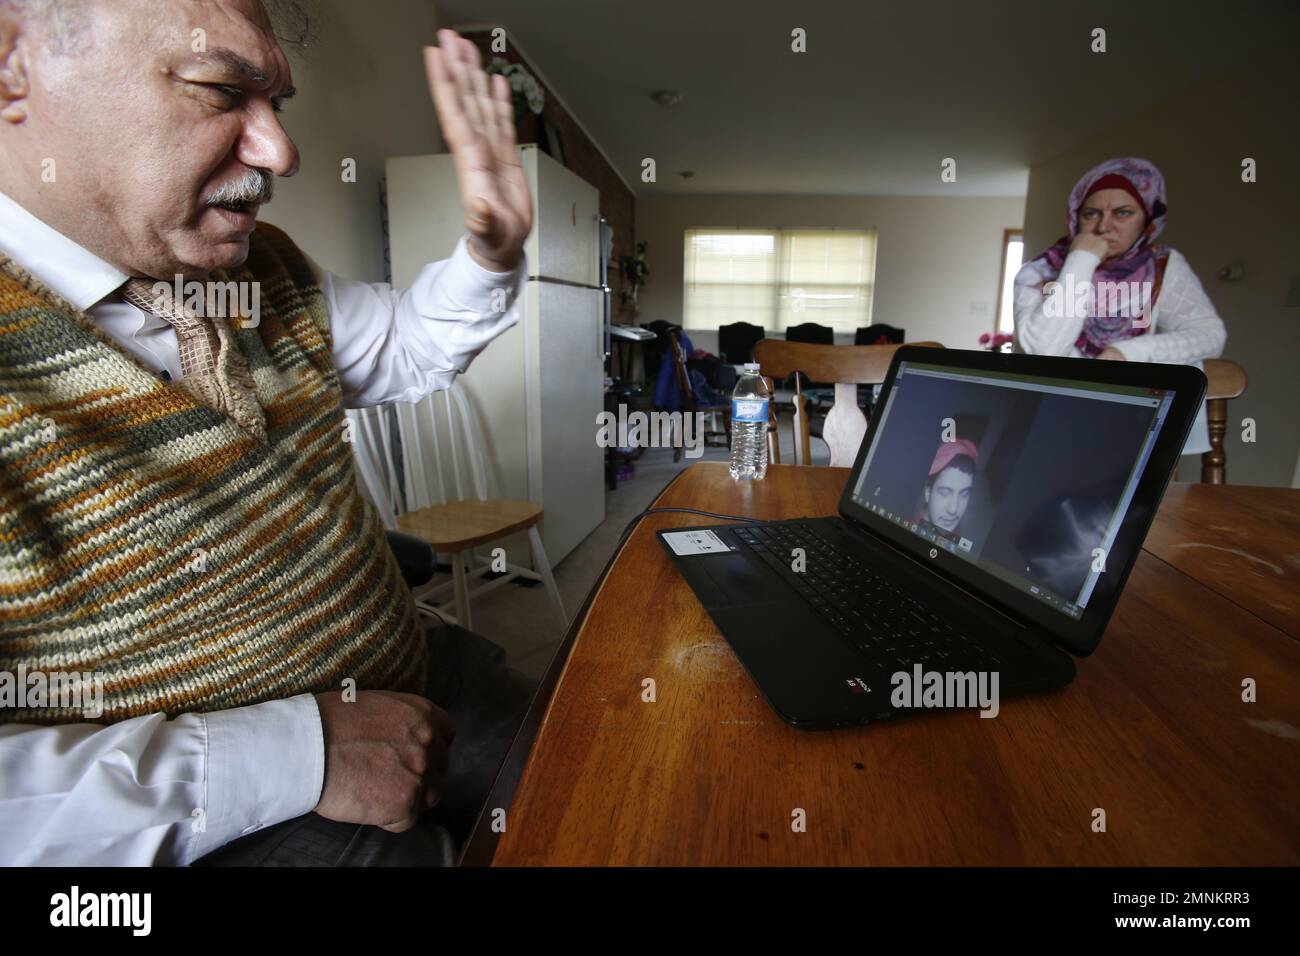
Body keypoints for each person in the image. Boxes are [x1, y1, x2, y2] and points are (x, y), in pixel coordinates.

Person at [0, 1, 534, 866]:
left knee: (614, 779)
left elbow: (405, 348)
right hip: (226, 820)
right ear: (12, 63)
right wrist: (301, 753)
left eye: (277, 102)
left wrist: (493, 253)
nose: (280, 152)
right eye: (221, 90)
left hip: (416, 664)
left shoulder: (259, 266)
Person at [1013, 157, 1225, 453]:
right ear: (1076, 216)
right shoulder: (1037, 273)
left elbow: (1209, 334)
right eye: (1091, 213)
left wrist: (1129, 352)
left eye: (1123, 213)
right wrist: (1082, 260)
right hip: (1053, 417)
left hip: (1133, 421)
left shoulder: (1163, 266)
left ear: (1146, 219)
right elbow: (1046, 351)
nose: (1103, 227)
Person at [915, 439, 979, 539]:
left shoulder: (955, 532)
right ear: (928, 493)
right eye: (945, 493)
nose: (953, 509)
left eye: (964, 494)